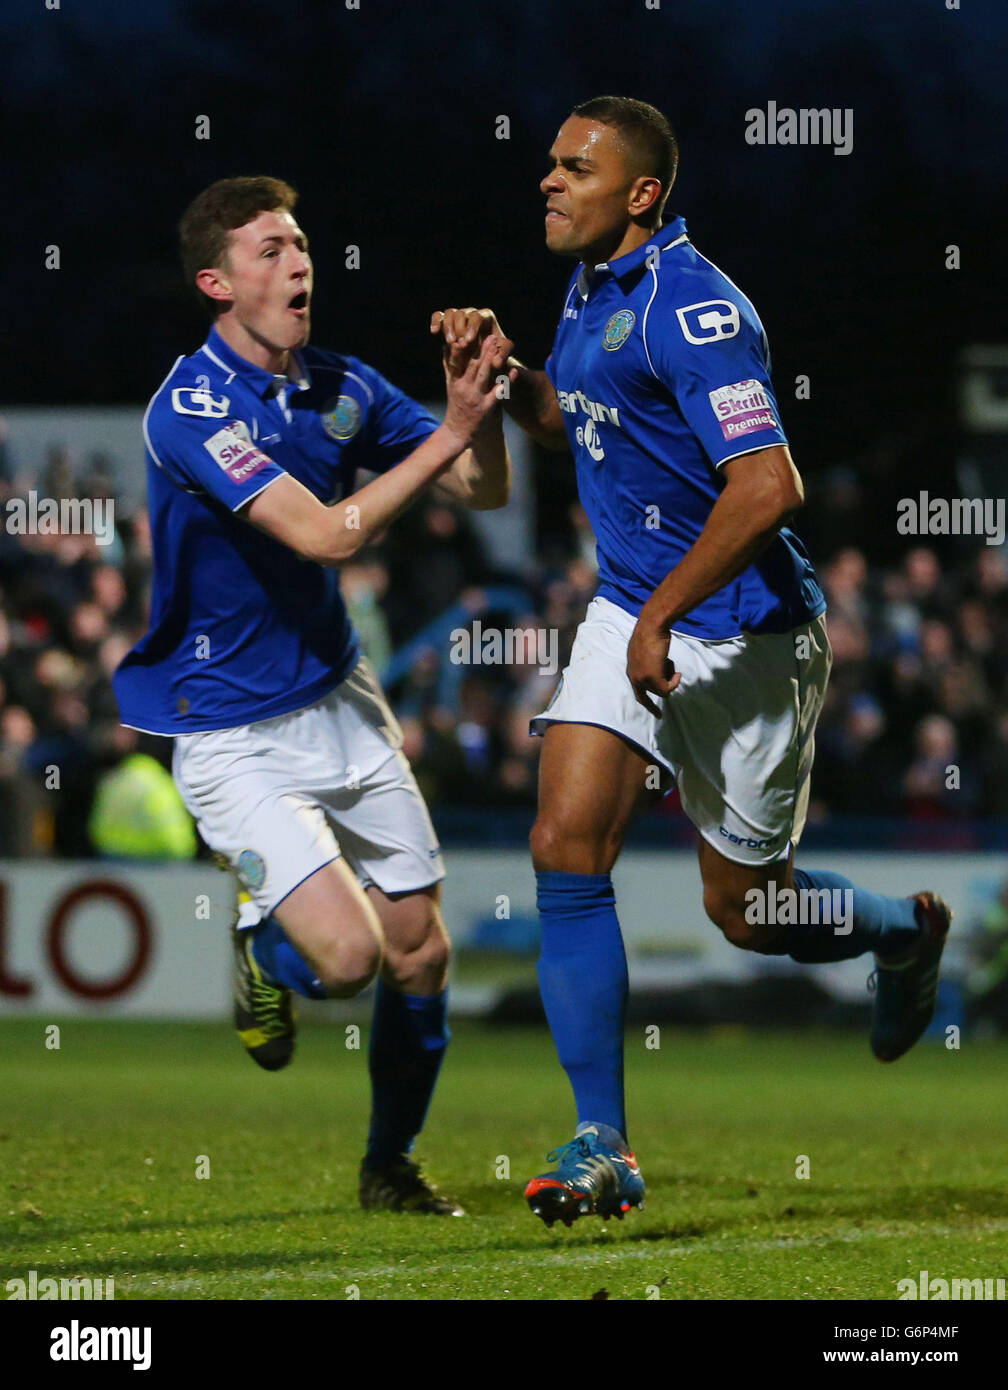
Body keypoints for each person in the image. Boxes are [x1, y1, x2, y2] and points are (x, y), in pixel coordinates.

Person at [432, 95, 951, 1228]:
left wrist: (667, 610)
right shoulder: (589, 290)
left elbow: (769, 487)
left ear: (641, 194)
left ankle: (903, 933)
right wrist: (504, 378)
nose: (548, 181)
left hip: (750, 635)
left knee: (748, 914)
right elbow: (585, 419)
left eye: (574, 167)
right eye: (550, 163)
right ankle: (601, 1140)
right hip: (635, 610)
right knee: (564, 841)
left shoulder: (698, 306)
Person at [114, 176, 512, 1214]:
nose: (297, 263)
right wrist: (450, 427)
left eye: (300, 244)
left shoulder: (340, 382)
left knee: (422, 950)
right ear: (216, 282)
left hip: (340, 695)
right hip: (228, 727)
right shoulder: (190, 406)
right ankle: (261, 946)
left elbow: (487, 489)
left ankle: (390, 1164)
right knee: (346, 959)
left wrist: (481, 400)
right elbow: (328, 533)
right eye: (267, 250)